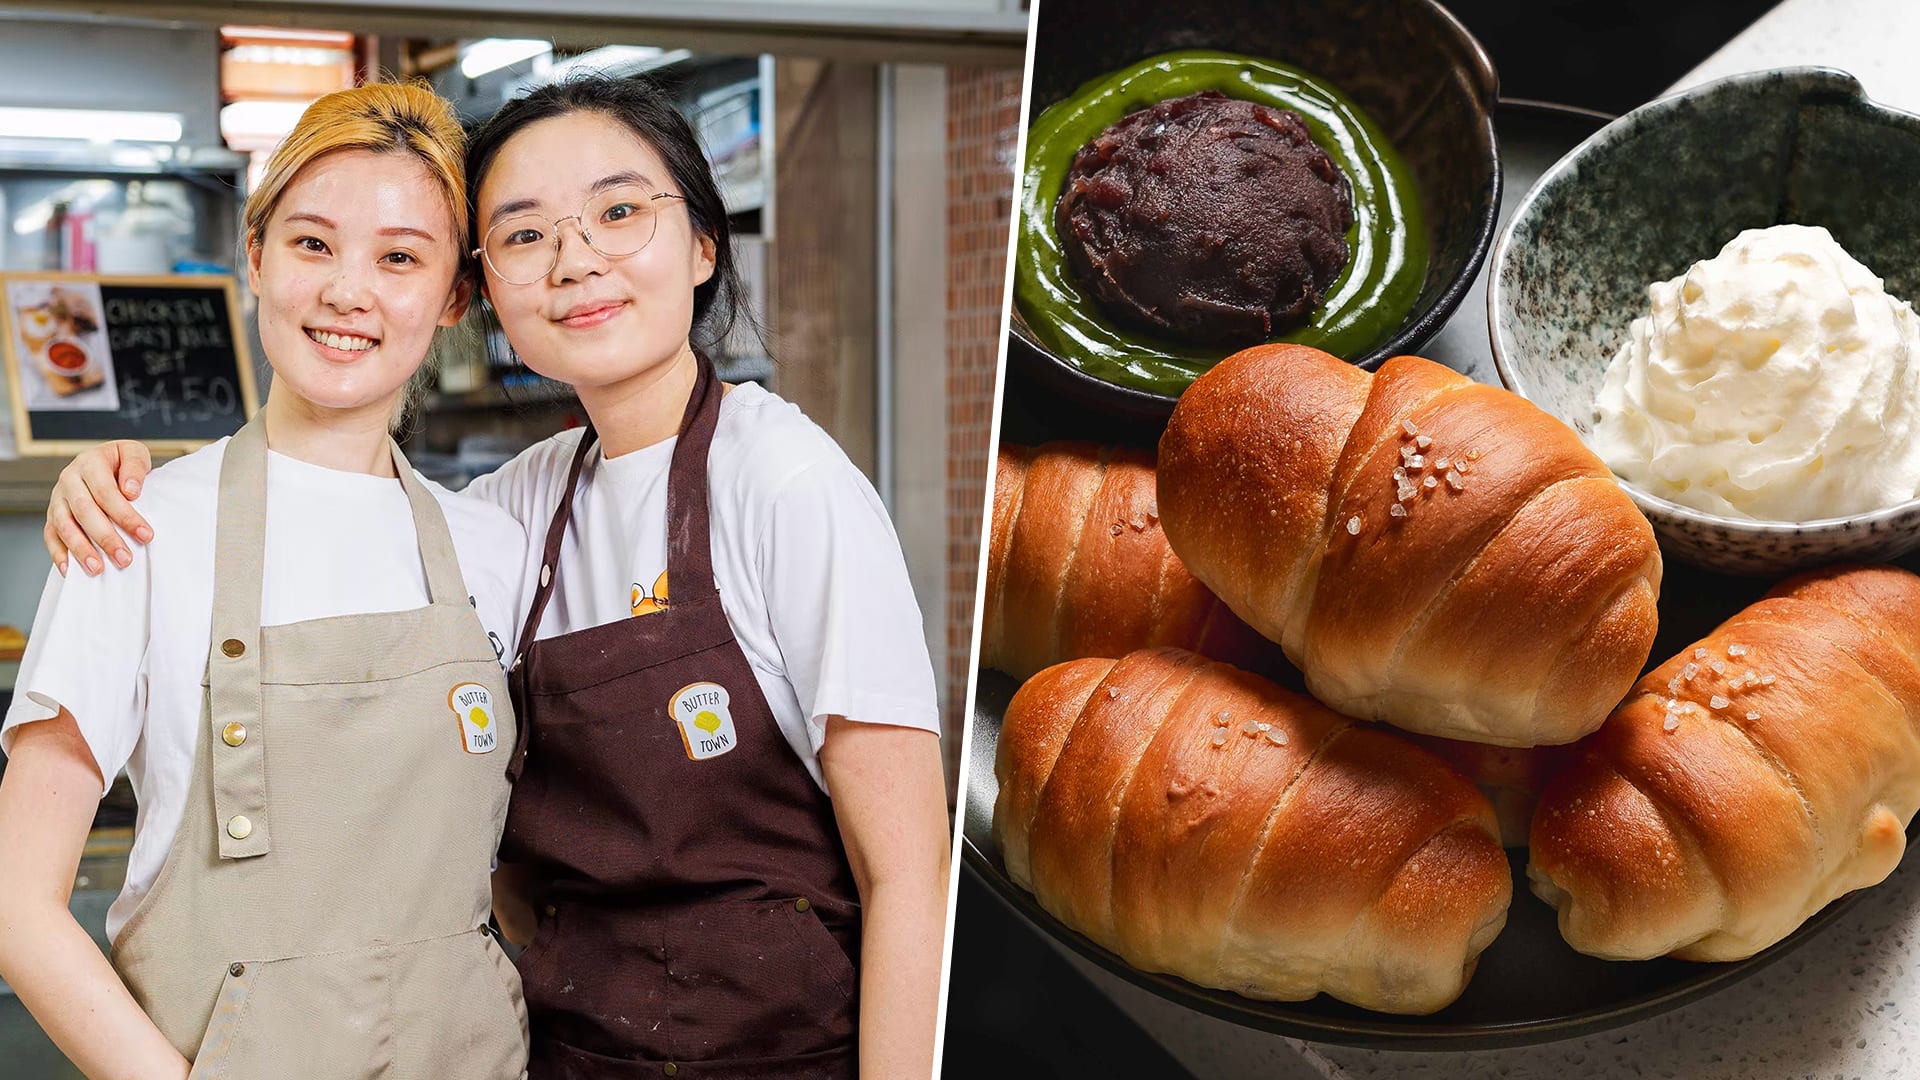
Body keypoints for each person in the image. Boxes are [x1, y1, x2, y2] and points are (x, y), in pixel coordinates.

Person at [45, 75, 952, 1080]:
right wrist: (115, 474)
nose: (576, 261)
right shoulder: (513, 513)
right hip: (564, 1053)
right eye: (525, 234)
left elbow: (911, 873)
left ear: (702, 243)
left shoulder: (783, 481)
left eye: (618, 212)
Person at [1, 83, 530, 1079]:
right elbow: (16, 907)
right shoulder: (134, 533)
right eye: (313, 244)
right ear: (254, 256)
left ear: (455, 296)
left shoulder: (495, 549)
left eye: (401, 258)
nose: (347, 291)